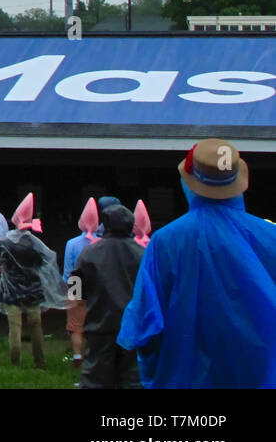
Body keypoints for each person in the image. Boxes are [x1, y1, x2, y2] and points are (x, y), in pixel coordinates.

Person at [118, 139, 276, 388]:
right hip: (261, 373)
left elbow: (146, 320)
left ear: (189, 183)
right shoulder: (270, 236)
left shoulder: (166, 241)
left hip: (185, 374)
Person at [71, 203, 143, 389]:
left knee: (95, 380)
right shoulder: (143, 254)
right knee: (132, 380)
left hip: (99, 326)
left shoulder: (88, 254)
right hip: (132, 328)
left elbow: (75, 292)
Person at [0, 192, 66, 368]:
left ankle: (15, 362)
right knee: (36, 328)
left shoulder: (5, 244)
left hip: (12, 294)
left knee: (15, 330)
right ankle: (40, 361)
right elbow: (44, 262)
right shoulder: (35, 244)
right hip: (33, 292)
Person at [62, 197, 100, 368]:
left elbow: (68, 270)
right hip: (96, 285)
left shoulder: (71, 243)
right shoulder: (102, 243)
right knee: (96, 321)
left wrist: (68, 290)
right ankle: (94, 355)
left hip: (76, 282)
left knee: (76, 325)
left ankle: (77, 356)